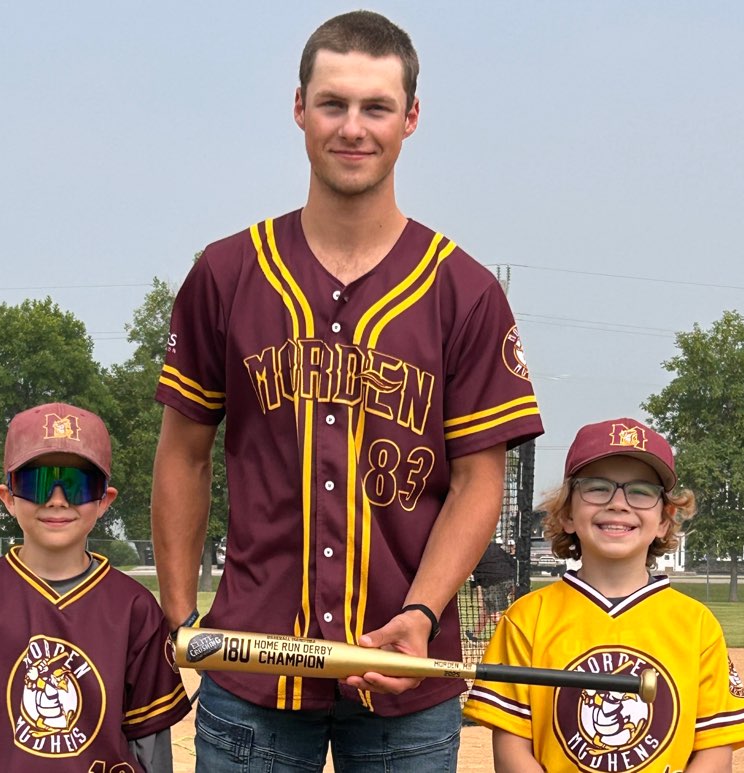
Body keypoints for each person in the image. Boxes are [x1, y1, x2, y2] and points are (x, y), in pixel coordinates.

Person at [151, 10, 543, 770]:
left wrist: (421, 613)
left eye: (376, 107)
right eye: (333, 103)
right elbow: (184, 451)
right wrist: (178, 611)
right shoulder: (228, 273)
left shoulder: (461, 290)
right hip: (254, 665)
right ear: (299, 107)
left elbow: (476, 481)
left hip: (408, 677)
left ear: (411, 118)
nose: (353, 127)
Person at [0, 402, 190, 772]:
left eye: (79, 485)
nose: (57, 499)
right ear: (8, 497)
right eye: (38, 482)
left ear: (104, 501)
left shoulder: (135, 609)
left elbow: (150, 744)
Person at [463, 417, 744, 772]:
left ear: (664, 520)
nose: (619, 503)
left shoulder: (696, 625)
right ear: (567, 514)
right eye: (597, 487)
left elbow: (715, 750)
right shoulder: (527, 619)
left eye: (640, 491)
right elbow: (512, 748)